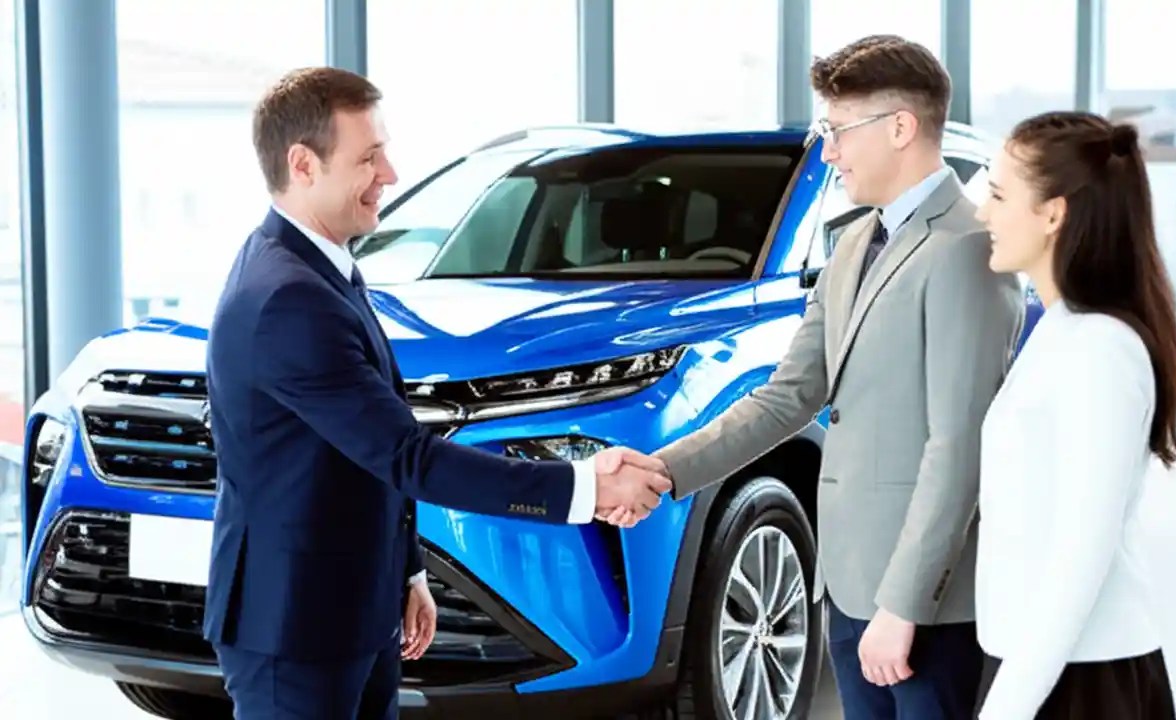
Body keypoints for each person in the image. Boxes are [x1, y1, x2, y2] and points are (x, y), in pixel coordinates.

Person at [202, 66, 672, 719]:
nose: (390, 174)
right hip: (296, 628)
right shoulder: (288, 297)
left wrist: (405, 571)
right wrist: (583, 489)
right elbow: (409, 456)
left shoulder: (320, 269)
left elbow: (358, 450)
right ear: (304, 165)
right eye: (368, 157)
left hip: (352, 607)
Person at [601, 35, 1024, 719]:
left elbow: (958, 449)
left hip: (925, 605)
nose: (828, 152)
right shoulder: (854, 243)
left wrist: (903, 605)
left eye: (837, 131)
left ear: (899, 128)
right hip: (851, 585)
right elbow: (787, 396)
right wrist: (661, 470)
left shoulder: (967, 249)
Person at [971, 111, 1176, 719]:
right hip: (1039, 663)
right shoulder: (1062, 328)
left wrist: (1007, 706)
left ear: (1053, 214)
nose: (984, 211)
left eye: (999, 193)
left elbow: (1081, 550)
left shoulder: (1099, 348)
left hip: (1079, 678)